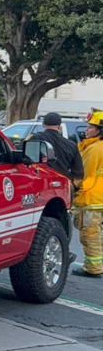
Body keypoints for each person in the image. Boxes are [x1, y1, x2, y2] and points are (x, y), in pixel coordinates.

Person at [72, 109, 103, 278]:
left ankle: (93, 268)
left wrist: (74, 192)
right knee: (98, 234)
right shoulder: (96, 146)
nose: (86, 129)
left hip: (91, 199)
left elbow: (86, 176)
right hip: (100, 199)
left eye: (90, 127)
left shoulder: (94, 150)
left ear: (99, 130)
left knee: (89, 234)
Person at [31, 112, 84, 182]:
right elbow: (79, 173)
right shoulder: (72, 145)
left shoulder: (34, 139)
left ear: (43, 125)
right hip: (62, 183)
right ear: (59, 127)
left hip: (41, 182)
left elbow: (24, 159)